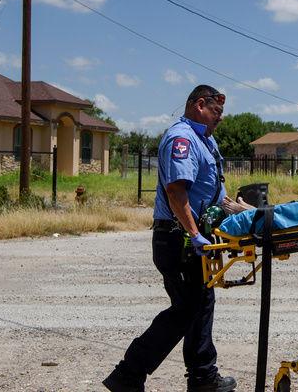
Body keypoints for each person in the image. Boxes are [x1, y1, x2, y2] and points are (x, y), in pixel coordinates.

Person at [103, 85, 236, 392]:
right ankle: (128, 373)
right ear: (199, 105)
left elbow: (213, 190)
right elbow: (176, 191)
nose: (220, 119)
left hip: (196, 236)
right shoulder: (183, 138)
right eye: (216, 112)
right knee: (186, 308)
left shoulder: (205, 139)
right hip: (178, 239)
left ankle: (203, 376)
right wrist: (193, 233)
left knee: (200, 303)